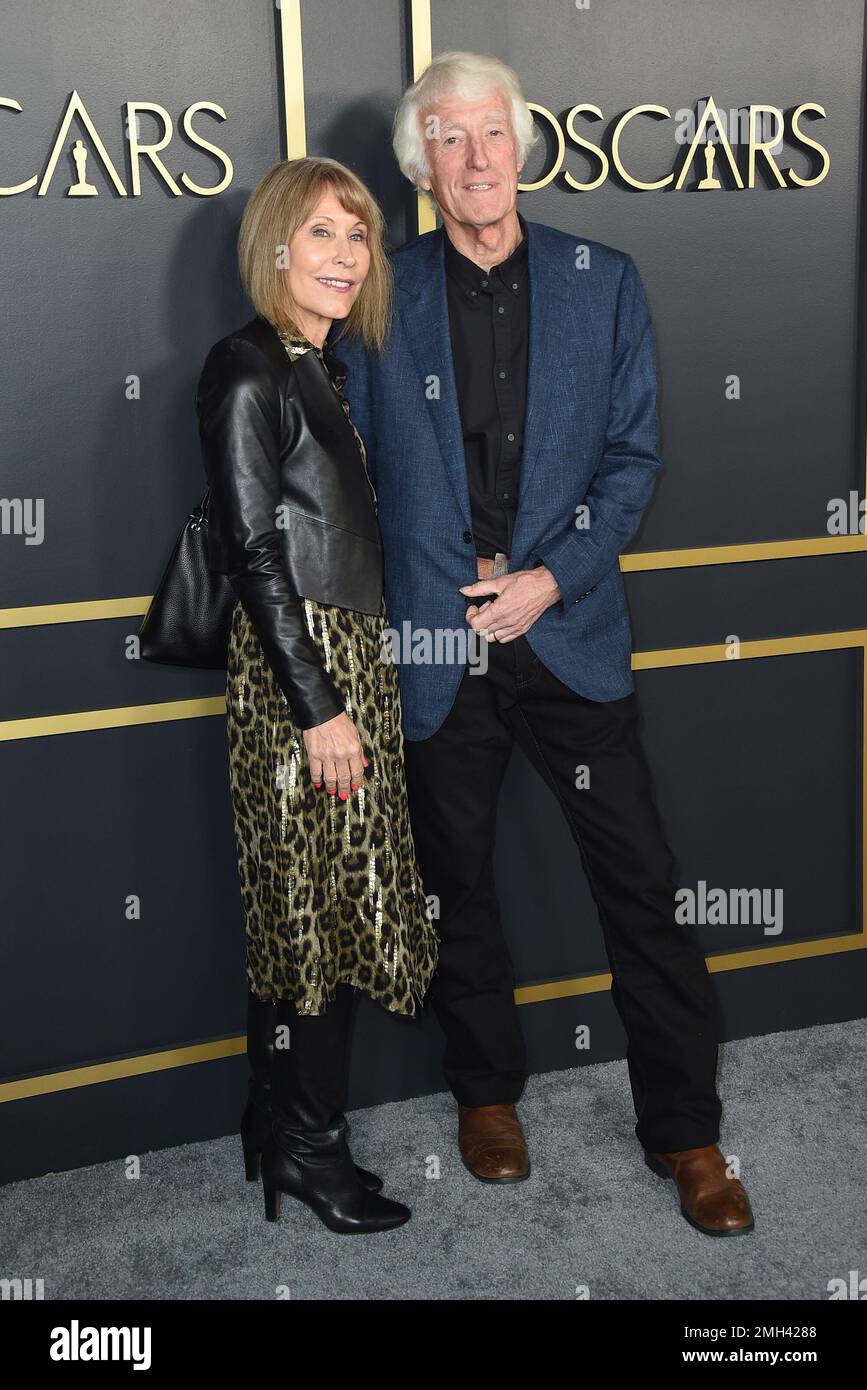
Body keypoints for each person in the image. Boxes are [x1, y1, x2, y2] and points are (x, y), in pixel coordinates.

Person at [338, 52, 754, 1236]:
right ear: (423, 166)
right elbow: (357, 473)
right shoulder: (385, 289)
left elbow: (633, 463)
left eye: (491, 133)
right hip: (436, 641)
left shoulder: (603, 281)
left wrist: (546, 578)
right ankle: (487, 1094)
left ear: (520, 142)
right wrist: (441, 582)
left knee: (643, 893)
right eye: (449, 140)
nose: (475, 158)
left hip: (567, 631)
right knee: (456, 885)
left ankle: (688, 1131)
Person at [195, 156, 439, 1235]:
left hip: (342, 668)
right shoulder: (245, 367)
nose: (347, 257)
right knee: (315, 918)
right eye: (324, 235)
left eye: (360, 238)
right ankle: (307, 1149)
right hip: (305, 681)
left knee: (317, 908)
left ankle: (274, 1118)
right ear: (276, 247)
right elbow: (253, 553)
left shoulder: (317, 364)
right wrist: (320, 707)